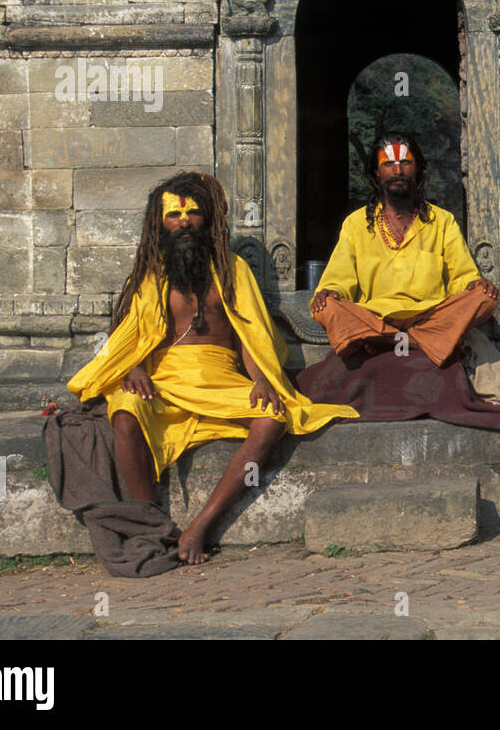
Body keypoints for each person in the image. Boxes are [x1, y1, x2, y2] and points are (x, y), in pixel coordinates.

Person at [67, 172, 357, 564]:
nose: (184, 222)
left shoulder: (232, 269)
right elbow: (133, 336)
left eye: (193, 213)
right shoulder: (153, 274)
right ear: (160, 222)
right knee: (124, 413)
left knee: (273, 417)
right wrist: (133, 369)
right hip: (164, 380)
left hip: (220, 378)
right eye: (174, 215)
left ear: (208, 218)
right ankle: (151, 526)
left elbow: (251, 336)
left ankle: (201, 526)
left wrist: (261, 379)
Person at [309, 132, 499, 366]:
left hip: (429, 315)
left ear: (417, 169)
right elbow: (339, 278)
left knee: (484, 298)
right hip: (374, 315)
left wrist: (474, 284)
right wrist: (330, 291)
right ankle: (421, 341)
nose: (398, 171)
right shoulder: (356, 223)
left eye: (405, 163)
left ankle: (385, 341)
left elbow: (462, 276)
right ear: (377, 173)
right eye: (388, 164)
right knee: (325, 306)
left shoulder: (442, 220)